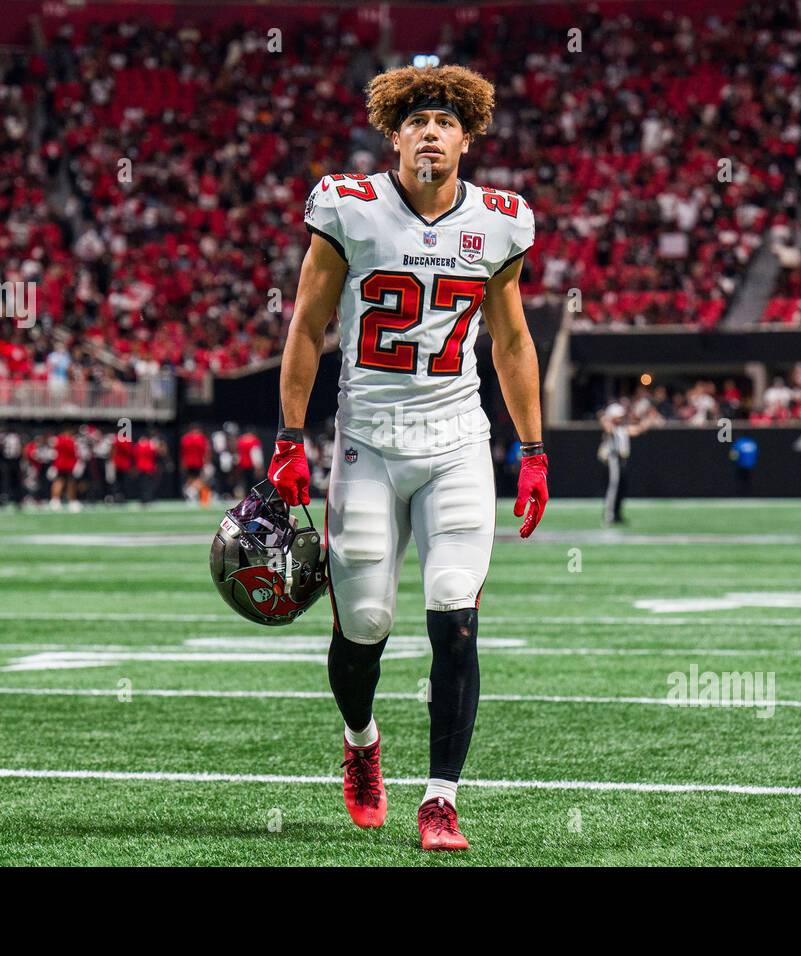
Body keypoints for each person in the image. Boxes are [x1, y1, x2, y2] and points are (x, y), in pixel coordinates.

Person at [272, 64, 548, 852]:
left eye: (445, 121)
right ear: (393, 135)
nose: (431, 131)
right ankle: (361, 743)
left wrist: (533, 450)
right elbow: (305, 325)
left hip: (458, 437)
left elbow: (514, 339)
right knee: (365, 623)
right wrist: (290, 438)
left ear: (468, 137)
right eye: (417, 121)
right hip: (367, 436)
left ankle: (441, 798)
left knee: (454, 617)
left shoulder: (499, 221)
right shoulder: (350, 206)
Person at [598, 395, 646, 526]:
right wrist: (608, 417)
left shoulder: (622, 429)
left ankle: (617, 514)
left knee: (621, 488)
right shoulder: (611, 428)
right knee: (613, 487)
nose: (621, 418)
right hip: (613, 460)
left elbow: (637, 430)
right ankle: (609, 515)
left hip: (622, 461)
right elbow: (606, 424)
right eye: (618, 416)